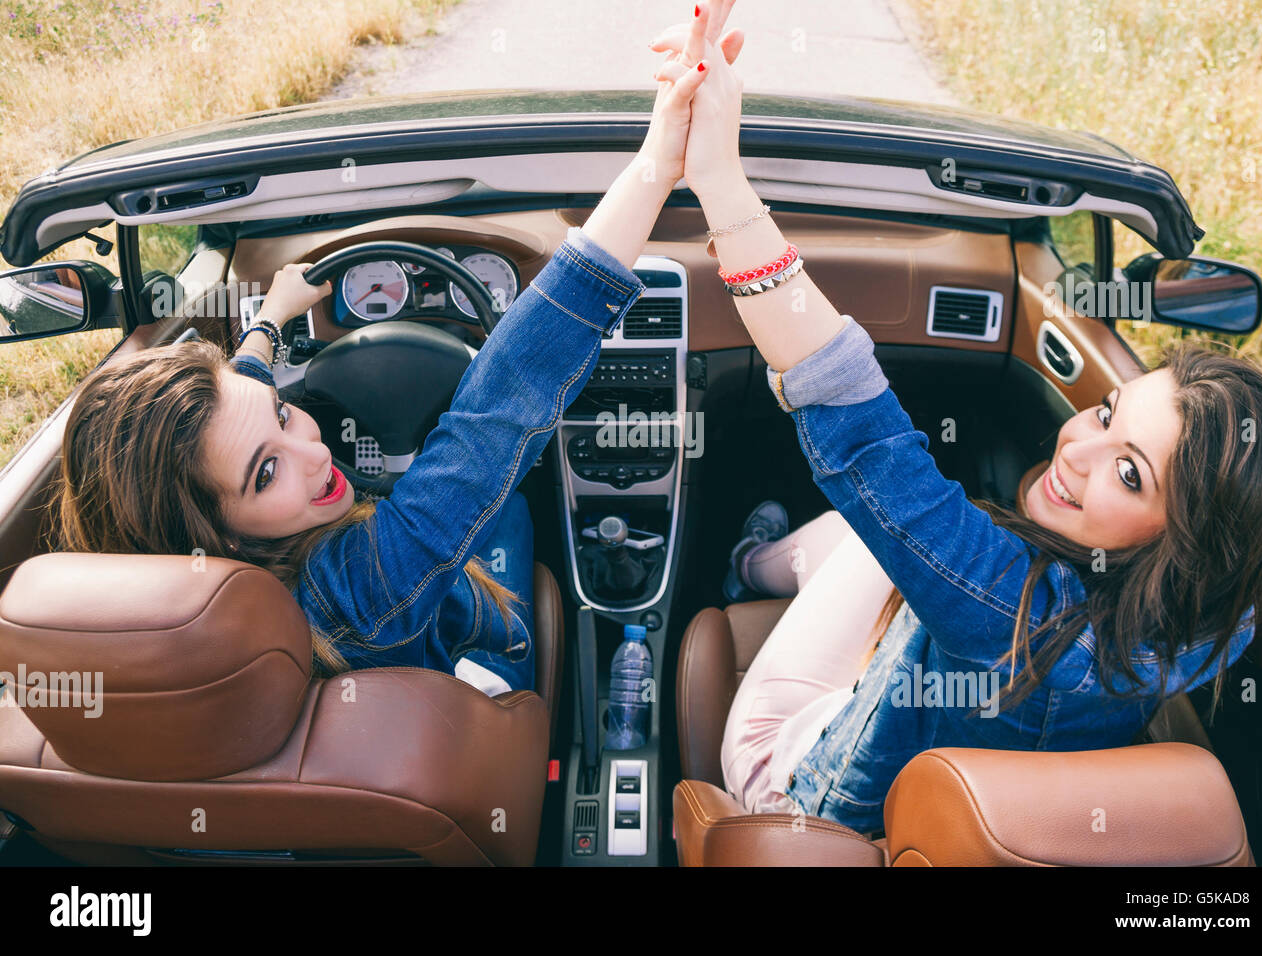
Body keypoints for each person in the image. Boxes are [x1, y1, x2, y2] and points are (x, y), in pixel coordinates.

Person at [651, 0, 1262, 833]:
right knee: (907, 537)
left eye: (1130, 473)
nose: (1079, 451)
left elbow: (853, 419)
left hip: (806, 795)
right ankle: (761, 557)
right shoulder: (1219, 619)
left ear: (1186, 547)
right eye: (1104, 413)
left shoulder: (999, 603)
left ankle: (745, 560)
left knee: (877, 527)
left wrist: (717, 178)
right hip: (954, 797)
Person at [45, 3, 741, 698]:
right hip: (471, 701)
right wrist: (656, 163)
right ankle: (520, 676)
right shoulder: (355, 592)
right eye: (267, 475)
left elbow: (239, 412)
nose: (316, 454)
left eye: (285, 416)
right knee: (505, 506)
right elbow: (496, 411)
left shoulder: (170, 625)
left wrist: (270, 326)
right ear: (216, 537)